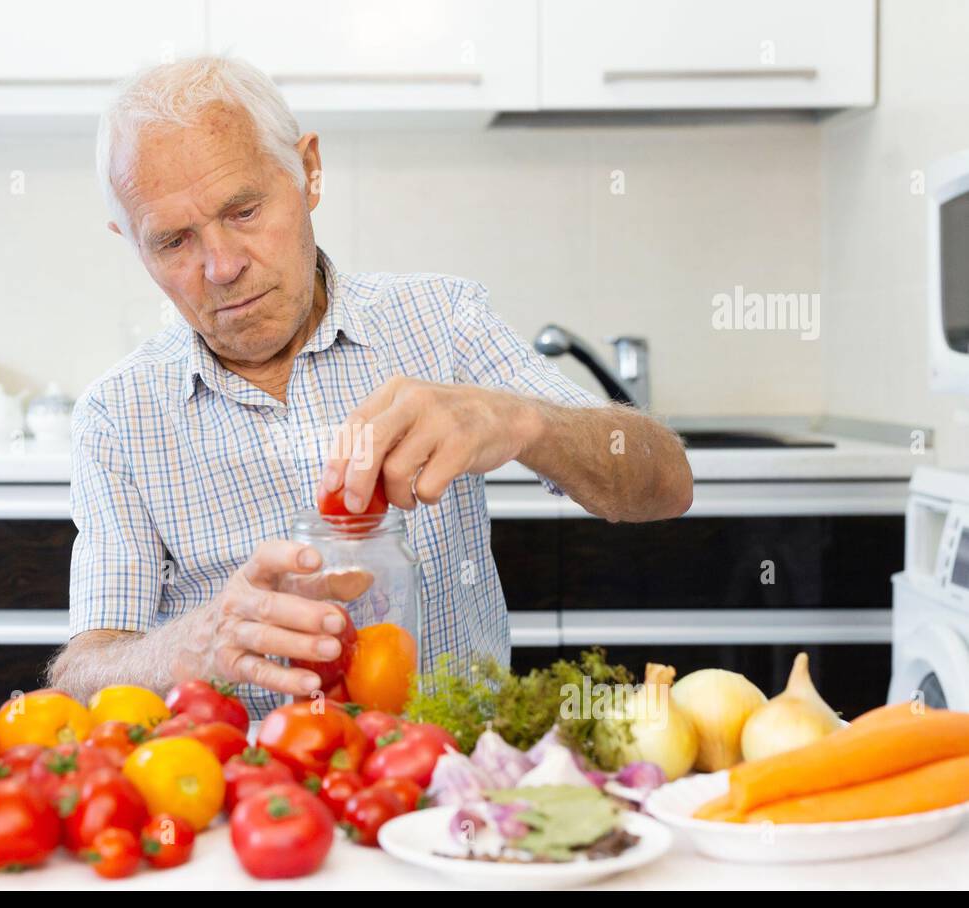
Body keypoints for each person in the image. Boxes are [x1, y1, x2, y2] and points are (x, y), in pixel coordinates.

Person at [50, 56, 692, 715]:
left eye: (243, 211)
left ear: (309, 171)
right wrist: (190, 645)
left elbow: (666, 484)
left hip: (448, 782)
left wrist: (523, 421)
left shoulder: (444, 322)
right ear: (130, 242)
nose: (221, 265)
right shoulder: (116, 416)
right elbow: (82, 672)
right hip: (246, 801)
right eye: (173, 241)